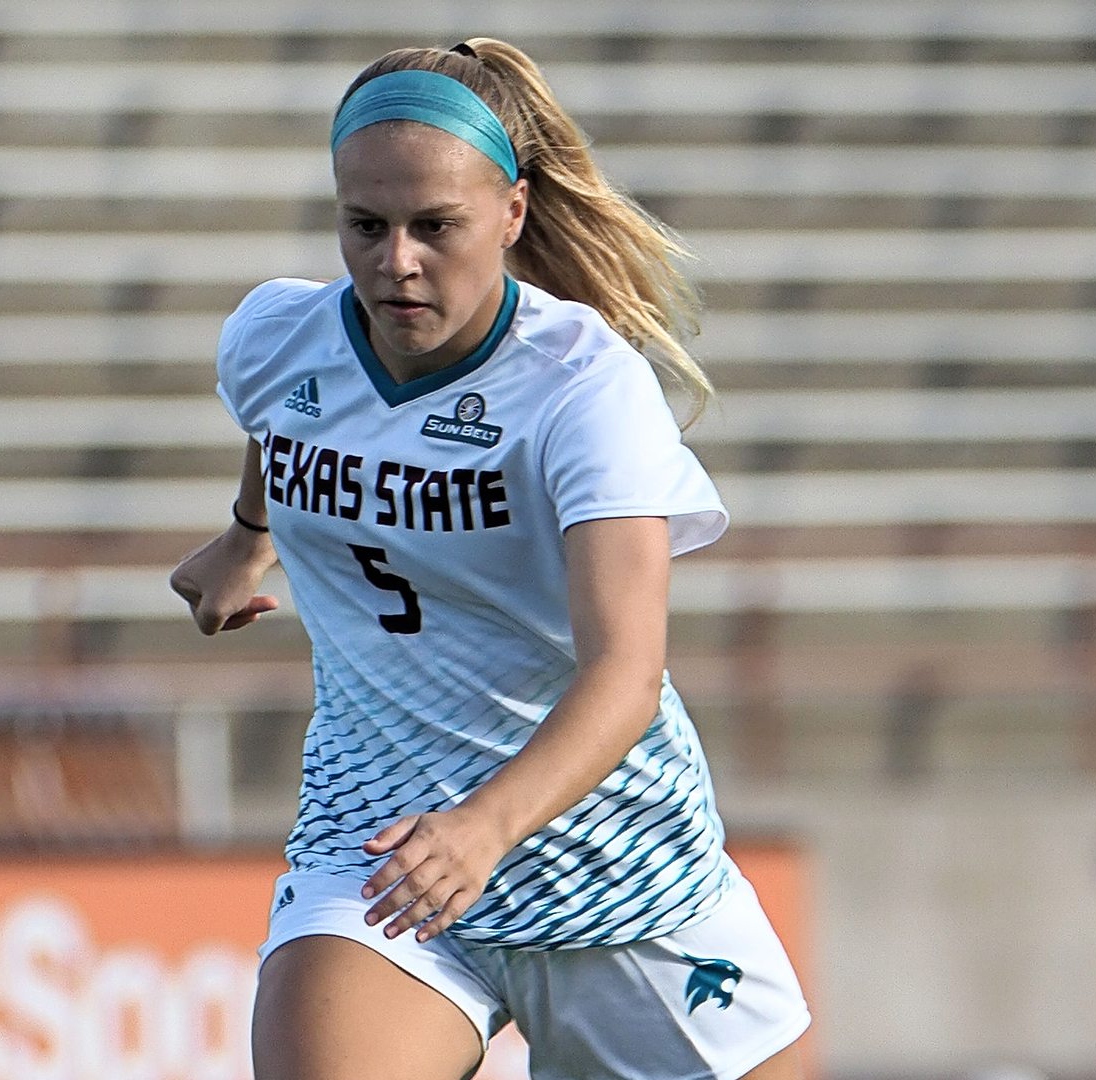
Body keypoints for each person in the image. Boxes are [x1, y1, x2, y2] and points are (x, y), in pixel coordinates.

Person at [170, 39, 809, 1080]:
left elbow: (626, 675)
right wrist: (250, 533)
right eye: (365, 225)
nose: (396, 260)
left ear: (511, 213)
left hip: (611, 870)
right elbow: (281, 416)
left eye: (435, 226)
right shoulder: (275, 335)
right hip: (381, 849)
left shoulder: (583, 387)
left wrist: (483, 830)